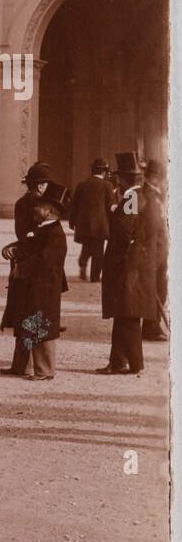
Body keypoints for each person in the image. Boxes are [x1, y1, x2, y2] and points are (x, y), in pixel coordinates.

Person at [0, 181, 69, 380]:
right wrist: (13, 248)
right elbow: (29, 246)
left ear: (50, 211)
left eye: (39, 206)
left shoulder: (55, 234)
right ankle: (22, 366)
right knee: (26, 323)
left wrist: (21, 267)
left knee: (40, 327)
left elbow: (44, 259)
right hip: (32, 285)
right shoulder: (42, 229)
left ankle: (44, 370)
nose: (35, 208)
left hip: (44, 288)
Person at [100, 153, 162, 376]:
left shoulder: (131, 199)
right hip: (137, 265)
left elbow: (126, 231)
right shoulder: (142, 197)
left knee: (127, 314)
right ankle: (122, 361)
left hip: (127, 266)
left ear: (122, 178)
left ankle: (128, 362)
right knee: (126, 313)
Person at [68, 158, 113, 283]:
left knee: (87, 245)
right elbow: (111, 207)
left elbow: (74, 206)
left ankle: (83, 262)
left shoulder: (81, 185)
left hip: (84, 225)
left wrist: (72, 222)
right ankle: (95, 276)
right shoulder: (107, 186)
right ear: (103, 172)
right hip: (100, 225)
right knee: (98, 251)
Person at [142, 159, 168, 341]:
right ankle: (151, 327)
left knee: (160, 288)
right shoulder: (148, 195)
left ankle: (153, 325)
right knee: (155, 290)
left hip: (159, 251)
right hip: (153, 251)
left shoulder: (156, 194)